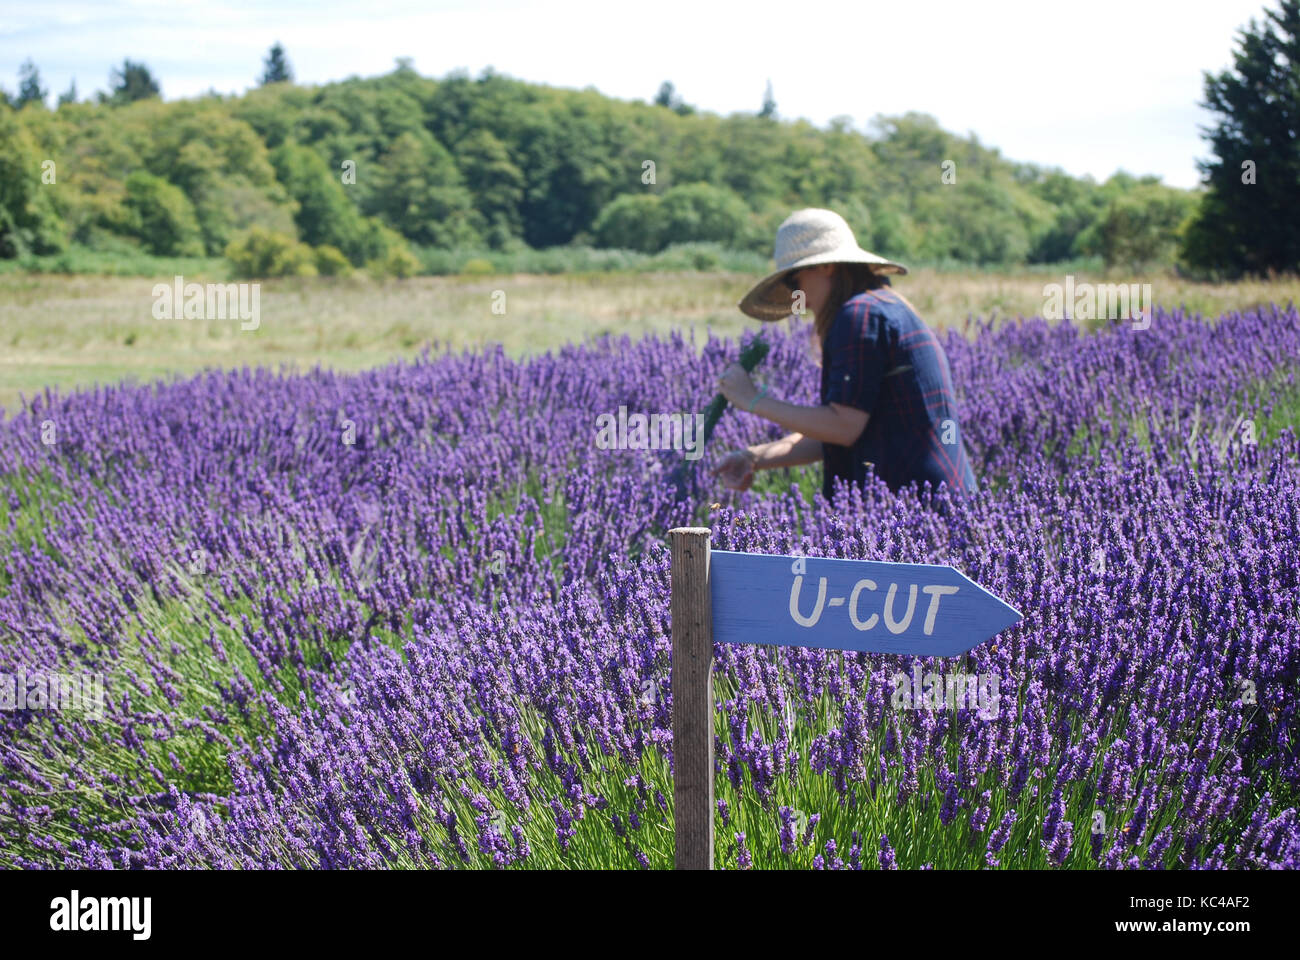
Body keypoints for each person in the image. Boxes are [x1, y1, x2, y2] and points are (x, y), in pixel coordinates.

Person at [711, 208, 976, 502]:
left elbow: (843, 427)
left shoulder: (860, 315)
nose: (796, 296)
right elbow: (839, 429)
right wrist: (754, 457)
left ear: (826, 267)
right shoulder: (883, 305)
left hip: (918, 510)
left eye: (794, 281)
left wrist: (753, 400)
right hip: (933, 506)